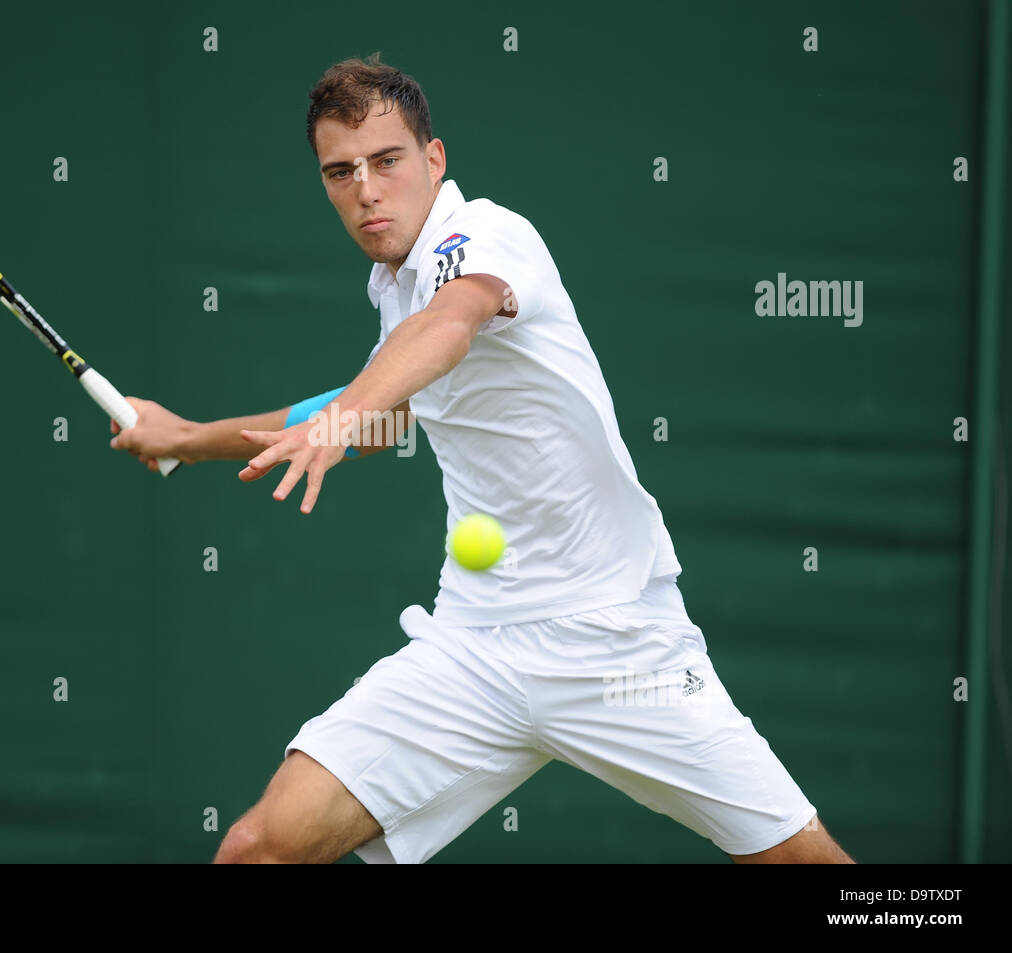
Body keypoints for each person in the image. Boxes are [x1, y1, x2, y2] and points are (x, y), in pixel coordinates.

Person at [109, 53, 854, 865]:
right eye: (340, 171)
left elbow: (449, 326)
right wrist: (185, 435)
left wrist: (352, 409)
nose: (366, 188)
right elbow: (376, 411)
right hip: (475, 648)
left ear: (434, 160)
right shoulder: (391, 285)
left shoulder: (487, 235)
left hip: (616, 643)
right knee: (260, 846)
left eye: (387, 161)